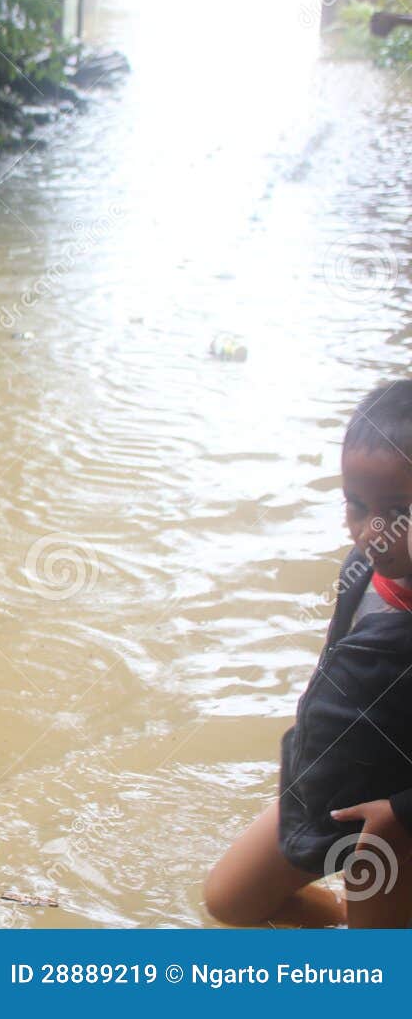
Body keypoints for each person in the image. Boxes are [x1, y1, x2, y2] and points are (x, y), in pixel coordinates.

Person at [204, 380, 412, 929]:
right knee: (232, 901)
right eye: (357, 506)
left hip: (394, 819)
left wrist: (399, 814)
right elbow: (337, 669)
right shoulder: (363, 568)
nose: (374, 531)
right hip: (331, 779)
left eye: (400, 511)